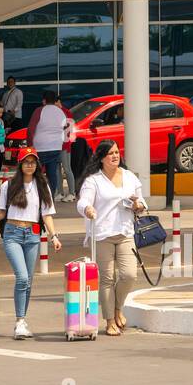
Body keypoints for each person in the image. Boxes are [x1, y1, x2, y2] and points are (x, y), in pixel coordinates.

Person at [0, 148, 62, 340]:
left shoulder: (43, 186)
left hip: (33, 234)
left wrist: (54, 236)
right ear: (20, 164)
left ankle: (22, 321)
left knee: (29, 280)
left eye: (33, 162)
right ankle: (19, 321)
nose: (30, 165)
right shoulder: (9, 185)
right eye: (26, 162)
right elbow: (2, 212)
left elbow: (47, 215)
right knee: (23, 277)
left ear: (37, 164)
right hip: (12, 234)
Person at [76, 138, 148, 336]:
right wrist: (88, 209)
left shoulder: (130, 177)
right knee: (107, 279)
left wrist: (138, 205)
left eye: (117, 152)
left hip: (126, 232)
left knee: (129, 275)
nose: (115, 156)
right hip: (102, 234)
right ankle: (109, 321)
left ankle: (118, 309)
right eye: (111, 153)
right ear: (101, 158)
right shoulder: (94, 180)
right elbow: (82, 202)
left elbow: (142, 201)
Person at [28, 90, 69, 196]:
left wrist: (30, 145)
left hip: (40, 148)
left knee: (36, 173)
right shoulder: (61, 112)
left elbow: (31, 128)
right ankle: (51, 198)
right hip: (55, 147)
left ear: (44, 100)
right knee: (52, 173)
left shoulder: (39, 110)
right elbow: (66, 129)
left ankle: (37, 196)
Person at [59, 107, 78, 202]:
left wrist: (66, 144)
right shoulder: (57, 111)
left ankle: (72, 193)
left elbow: (69, 131)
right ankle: (59, 193)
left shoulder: (66, 112)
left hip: (65, 145)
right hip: (57, 145)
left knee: (67, 169)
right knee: (57, 169)